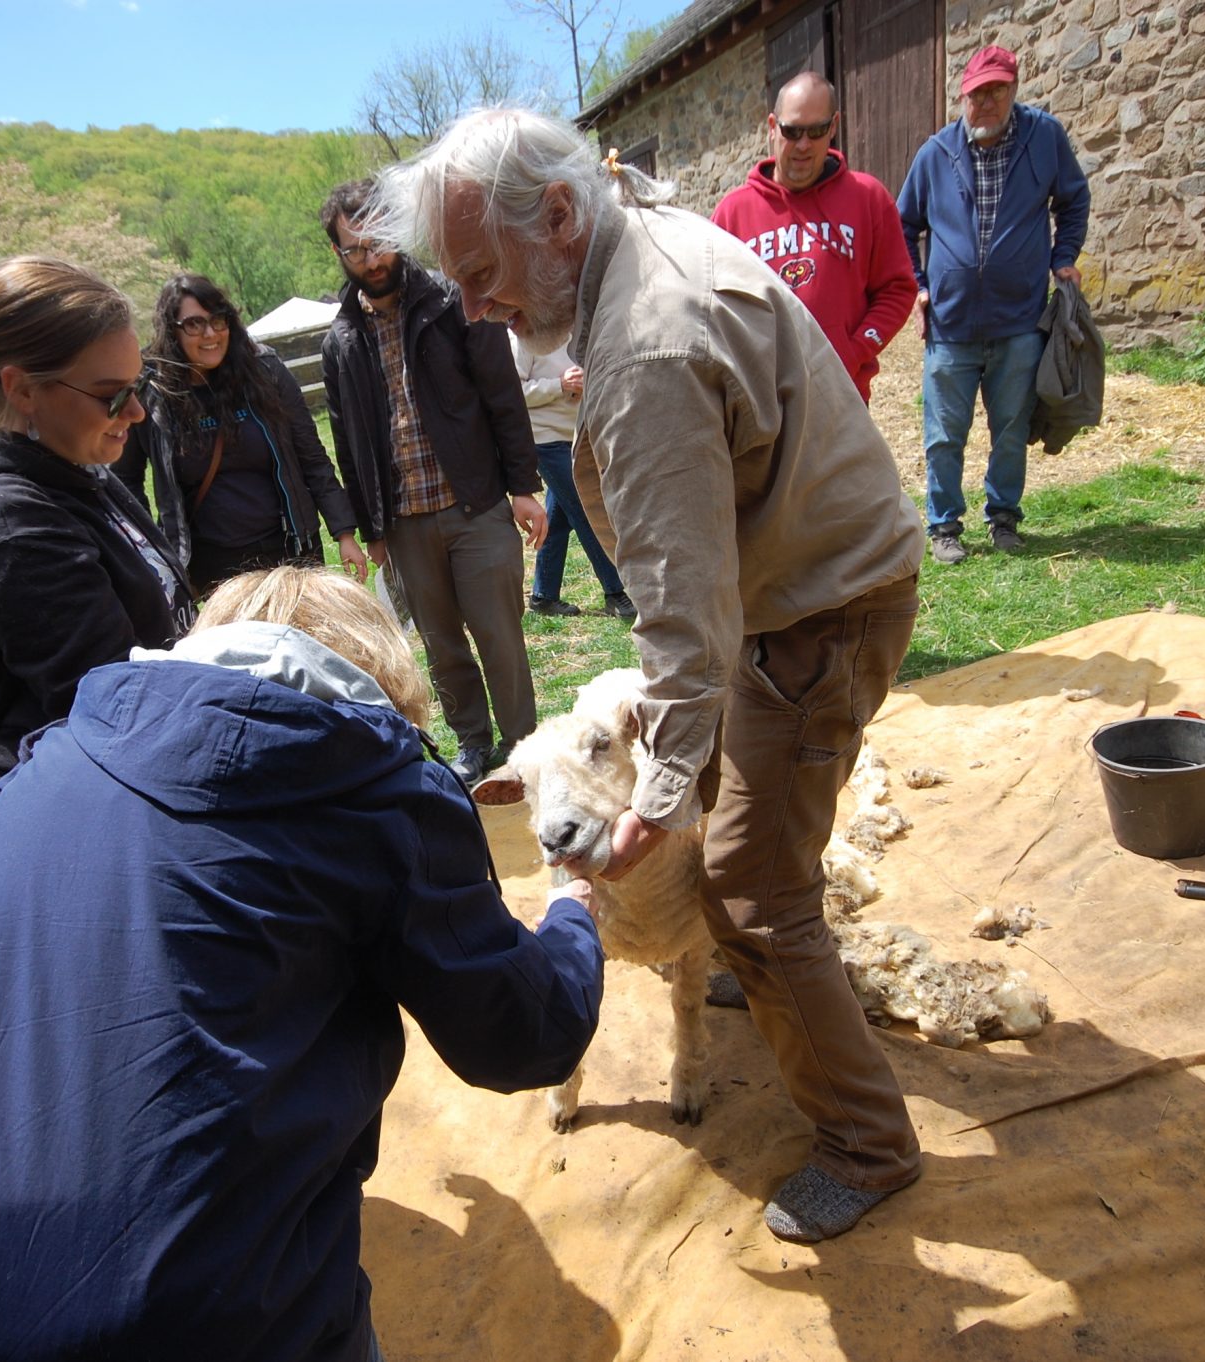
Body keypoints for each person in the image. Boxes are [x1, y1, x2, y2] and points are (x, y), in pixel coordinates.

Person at [0, 566, 604, 1361]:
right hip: (170, 1321)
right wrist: (571, 912)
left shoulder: (61, 747)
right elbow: (526, 1036)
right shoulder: (377, 790)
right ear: (386, 683)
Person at [371, 107, 928, 1243]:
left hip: (809, 613)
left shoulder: (646, 353)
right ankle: (751, 960)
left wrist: (661, 802)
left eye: (480, 273)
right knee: (749, 853)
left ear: (562, 216)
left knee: (752, 895)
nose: (472, 307)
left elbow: (681, 619)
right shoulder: (638, 241)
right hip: (807, 584)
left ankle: (868, 1144)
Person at [0, 256, 196, 797]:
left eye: (139, 385)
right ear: (23, 389)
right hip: (97, 796)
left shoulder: (73, 466)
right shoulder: (11, 528)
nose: (137, 414)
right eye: (113, 394)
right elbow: (114, 711)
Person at [319, 178, 548, 788]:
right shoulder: (340, 340)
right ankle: (472, 742)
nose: (371, 259)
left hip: (474, 503)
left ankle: (523, 745)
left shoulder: (453, 300)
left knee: (498, 634)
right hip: (403, 522)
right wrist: (370, 528)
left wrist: (522, 485)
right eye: (355, 249)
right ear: (339, 255)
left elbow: (502, 394)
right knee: (442, 645)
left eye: (379, 241)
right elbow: (347, 442)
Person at [897, 44, 1091, 563]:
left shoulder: (1044, 137)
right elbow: (903, 224)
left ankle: (1003, 517)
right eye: (976, 93)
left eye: (996, 91)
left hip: (1019, 319)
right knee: (943, 435)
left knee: (1010, 428)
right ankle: (944, 527)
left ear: (1013, 89)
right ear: (962, 95)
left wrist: (1064, 256)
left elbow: (1074, 200)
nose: (986, 103)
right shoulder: (936, 154)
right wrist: (918, 284)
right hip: (951, 323)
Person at [121, 274, 369, 595]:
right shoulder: (153, 392)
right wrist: (153, 553)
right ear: (172, 330)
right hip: (211, 569)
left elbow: (312, 457)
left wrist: (344, 534)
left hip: (288, 551)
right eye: (194, 324)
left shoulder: (264, 371)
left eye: (218, 320)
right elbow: (125, 480)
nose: (210, 334)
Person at [711, 71, 918, 404]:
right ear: (772, 126)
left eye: (816, 131)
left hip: (842, 400)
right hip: (764, 407)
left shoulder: (867, 198)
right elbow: (714, 309)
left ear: (834, 126)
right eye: (792, 131)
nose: (803, 145)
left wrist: (853, 352)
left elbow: (897, 289)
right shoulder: (732, 214)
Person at [508, 331, 634, 621]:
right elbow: (509, 391)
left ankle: (543, 596)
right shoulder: (523, 338)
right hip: (544, 439)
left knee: (560, 516)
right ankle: (616, 592)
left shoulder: (577, 329)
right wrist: (559, 386)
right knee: (587, 510)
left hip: (575, 435)